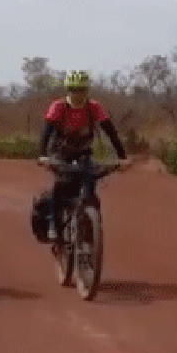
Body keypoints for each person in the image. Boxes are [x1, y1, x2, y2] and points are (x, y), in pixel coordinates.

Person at [35, 70, 129, 242]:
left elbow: (109, 130)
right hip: (61, 152)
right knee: (61, 185)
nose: (78, 94)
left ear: (86, 91)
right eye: (74, 90)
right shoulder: (59, 107)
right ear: (68, 90)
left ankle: (90, 232)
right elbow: (46, 132)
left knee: (89, 187)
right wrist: (42, 155)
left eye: (81, 90)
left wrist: (122, 156)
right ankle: (54, 227)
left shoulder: (93, 107)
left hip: (84, 152)